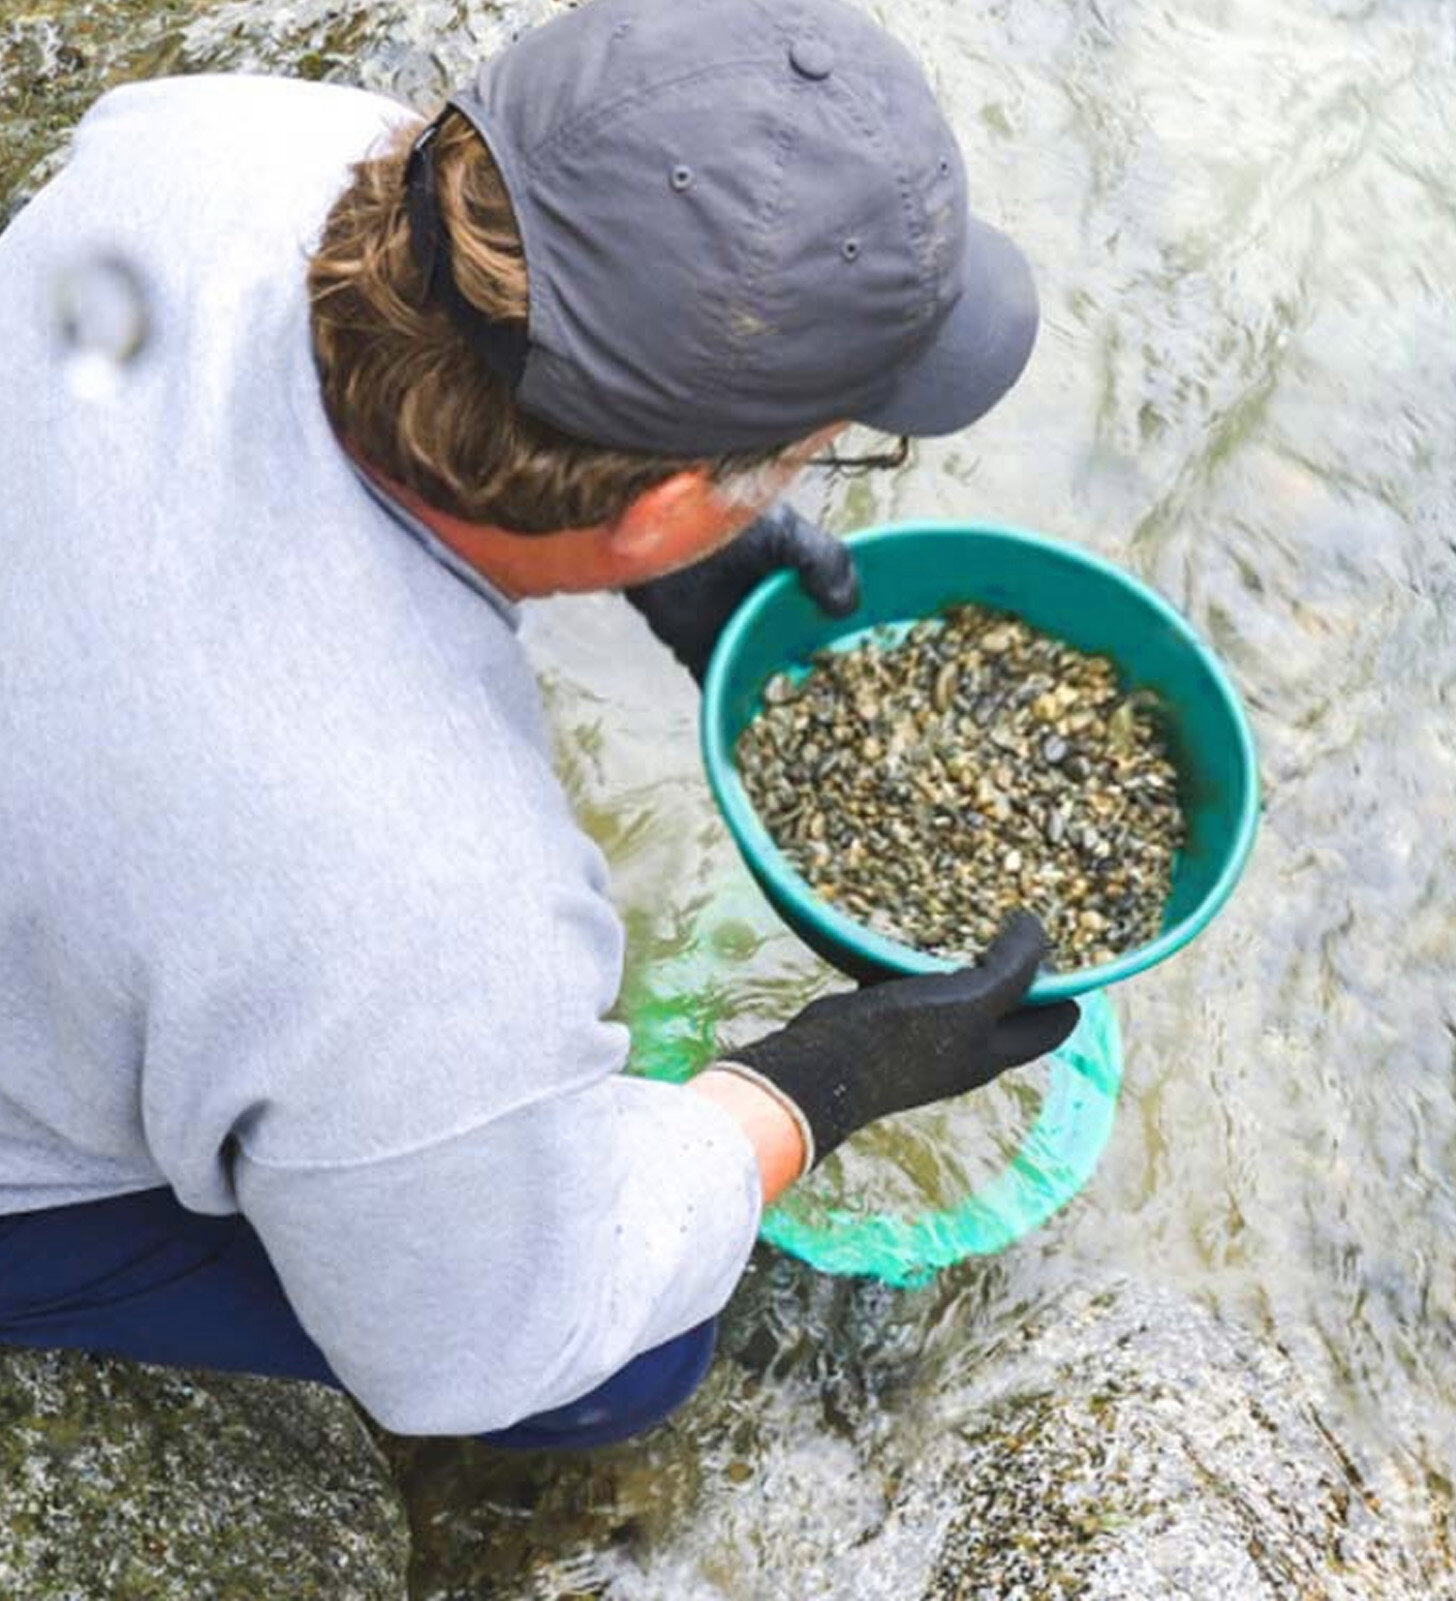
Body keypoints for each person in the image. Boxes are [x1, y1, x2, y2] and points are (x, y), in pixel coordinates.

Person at [0, 0, 1079, 1448]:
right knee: (619, 1358)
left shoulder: (219, 141)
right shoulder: (427, 887)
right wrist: (819, 1079)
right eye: (818, 450)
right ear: (659, 501)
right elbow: (473, 1355)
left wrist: (661, 550)